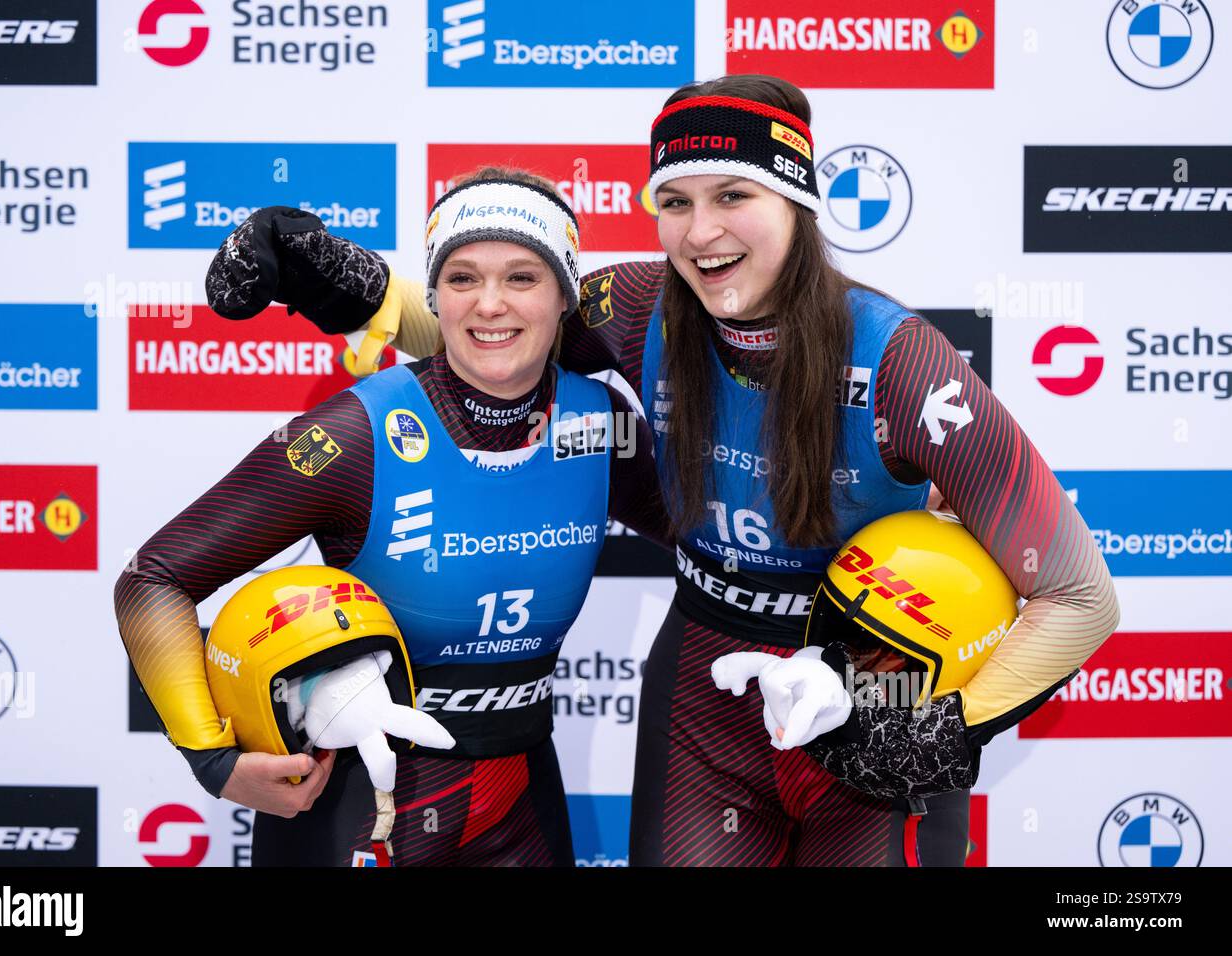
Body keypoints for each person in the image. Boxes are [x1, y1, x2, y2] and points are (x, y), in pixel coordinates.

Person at [207, 75, 1120, 867]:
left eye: (733, 196)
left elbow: (1081, 596)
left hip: (865, 693)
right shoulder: (647, 304)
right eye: (675, 201)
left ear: (796, 206)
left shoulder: (901, 360)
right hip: (705, 691)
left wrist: (925, 730)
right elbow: (493, 334)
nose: (702, 231)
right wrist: (328, 273)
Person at [114, 167, 669, 866]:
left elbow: (709, 546)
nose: (490, 305)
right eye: (463, 278)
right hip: (356, 806)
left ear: (565, 297)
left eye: (523, 278)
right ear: (434, 297)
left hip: (524, 798)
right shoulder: (359, 433)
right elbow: (153, 579)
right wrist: (214, 762)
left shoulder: (597, 421)